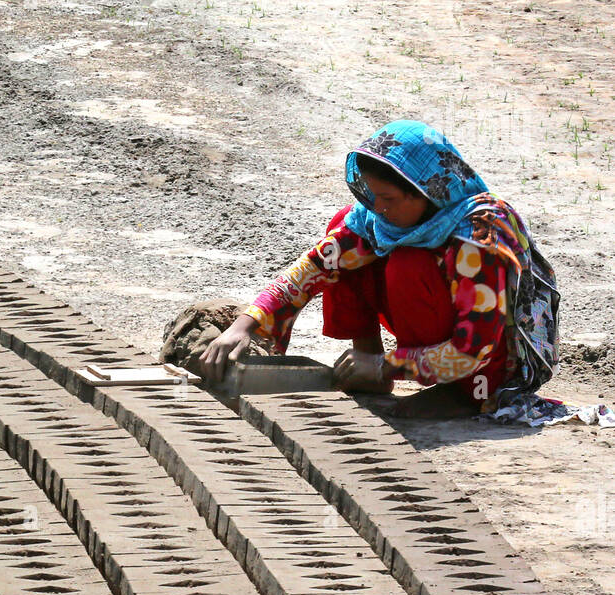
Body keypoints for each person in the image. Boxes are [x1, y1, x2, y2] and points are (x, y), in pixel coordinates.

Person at [200, 120, 559, 414]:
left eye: (388, 199)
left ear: (427, 191)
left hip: (493, 363)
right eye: (373, 196)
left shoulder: (479, 236)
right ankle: (367, 357)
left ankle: (461, 395)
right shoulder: (381, 220)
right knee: (347, 226)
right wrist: (245, 324)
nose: (379, 209)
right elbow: (316, 266)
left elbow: (475, 346)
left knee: (408, 264)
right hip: (436, 330)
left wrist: (391, 365)